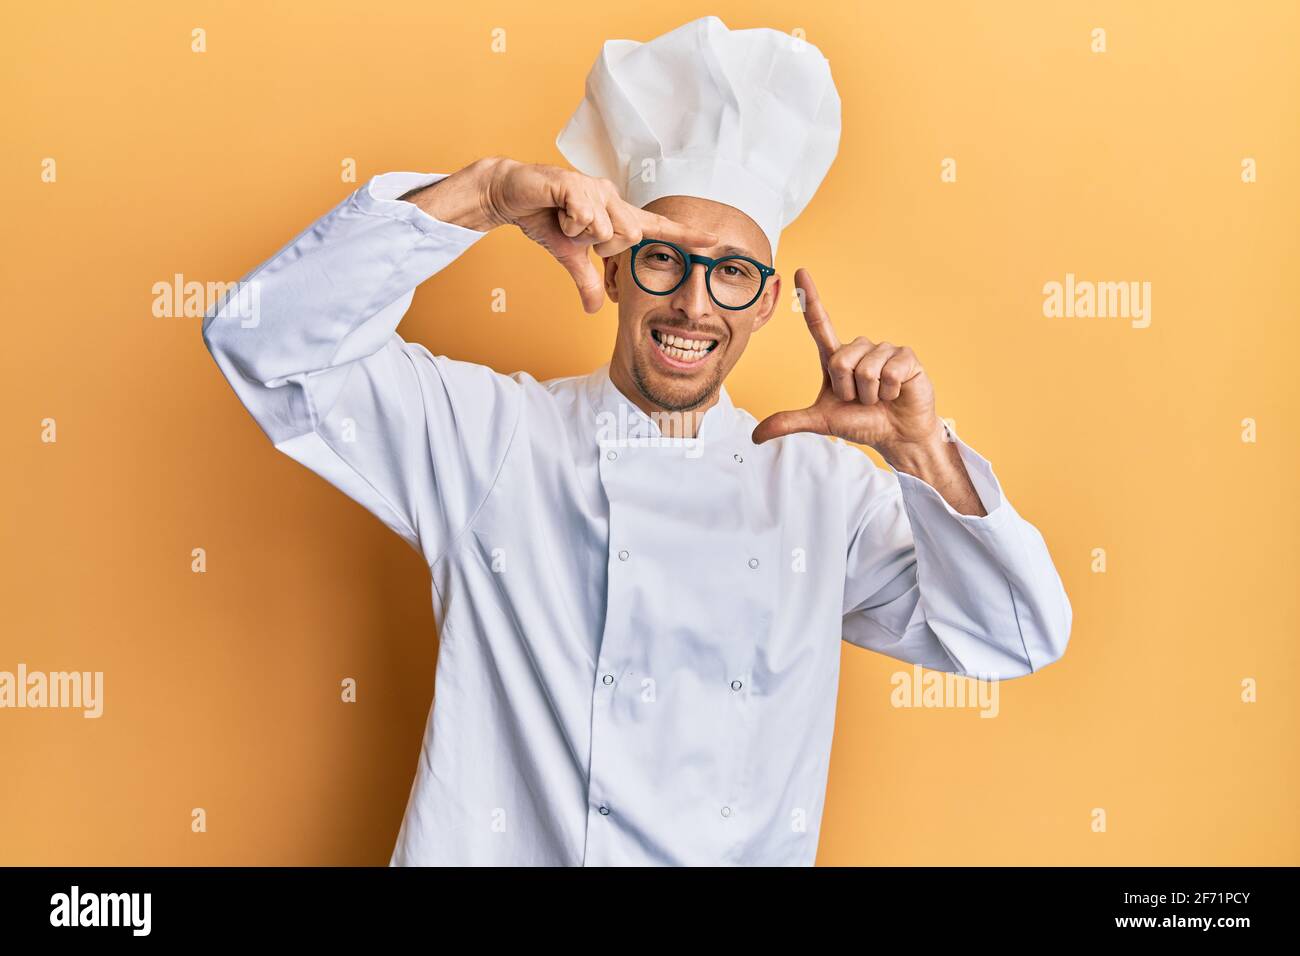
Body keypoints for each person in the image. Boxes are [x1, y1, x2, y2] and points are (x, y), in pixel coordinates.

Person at [201, 15, 1070, 866]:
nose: (695, 305)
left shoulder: (823, 493)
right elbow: (264, 342)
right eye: (665, 257)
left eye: (731, 272)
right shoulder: (492, 440)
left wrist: (922, 455)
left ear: (765, 305)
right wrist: (484, 193)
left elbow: (1016, 636)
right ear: (614, 267)